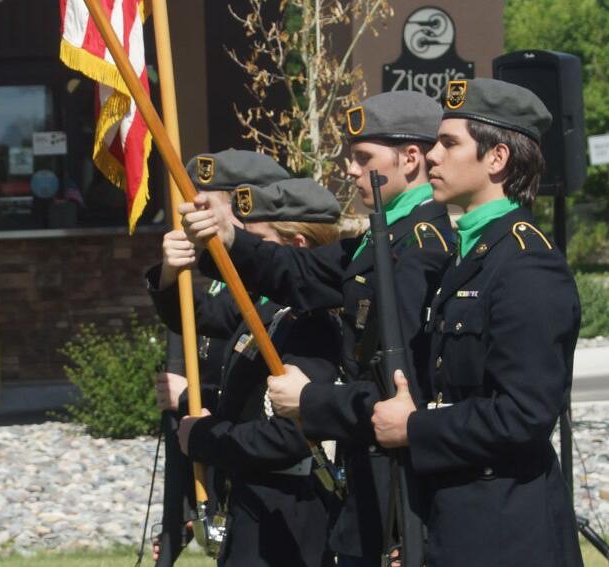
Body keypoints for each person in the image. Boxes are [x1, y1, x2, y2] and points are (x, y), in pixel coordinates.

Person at [179, 91, 455, 565]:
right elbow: (301, 273)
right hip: (368, 470)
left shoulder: (424, 242)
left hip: (403, 481)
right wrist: (227, 238)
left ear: (411, 158)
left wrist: (310, 401)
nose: (350, 169)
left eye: (362, 157)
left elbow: (406, 379)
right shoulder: (383, 237)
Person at [367, 78, 585, 566]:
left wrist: (416, 427)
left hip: (507, 529)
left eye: (449, 143)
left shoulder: (527, 265)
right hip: (455, 518)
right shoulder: (465, 253)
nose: (432, 157)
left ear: (497, 158)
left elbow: (524, 413)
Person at [158, 177, 344, 566]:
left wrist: (206, 439)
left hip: (290, 514)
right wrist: (170, 273)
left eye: (257, 245)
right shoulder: (268, 311)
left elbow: (288, 436)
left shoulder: (316, 323)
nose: (246, 257)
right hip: (251, 505)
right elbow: (240, 398)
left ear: (297, 249)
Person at [147, 149, 290, 566]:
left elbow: (262, 394)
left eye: (207, 205)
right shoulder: (223, 280)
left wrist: (194, 394)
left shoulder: (283, 281)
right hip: (239, 472)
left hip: (287, 489)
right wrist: (170, 272)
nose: (194, 215)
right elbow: (197, 317)